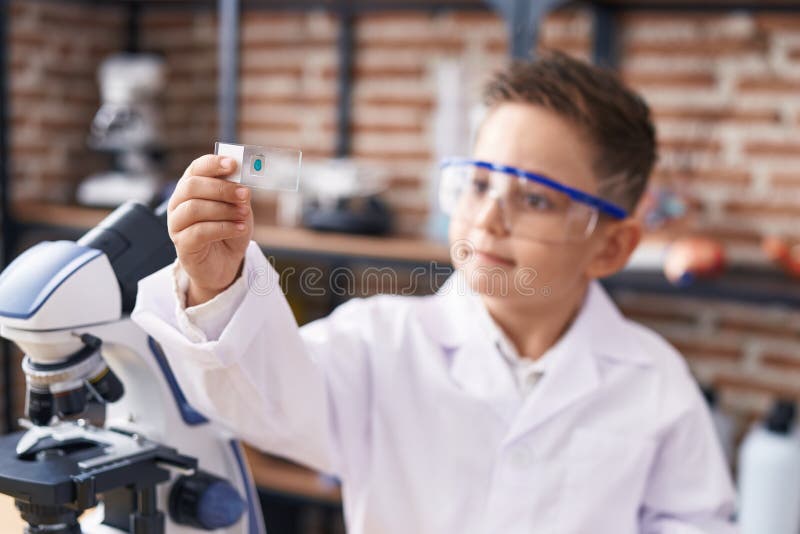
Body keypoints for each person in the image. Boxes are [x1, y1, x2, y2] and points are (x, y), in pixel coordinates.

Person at [132, 52, 736, 533]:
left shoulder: (656, 384)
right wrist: (217, 284)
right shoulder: (378, 341)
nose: (487, 219)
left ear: (611, 246)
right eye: (478, 183)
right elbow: (264, 402)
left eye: (535, 199)